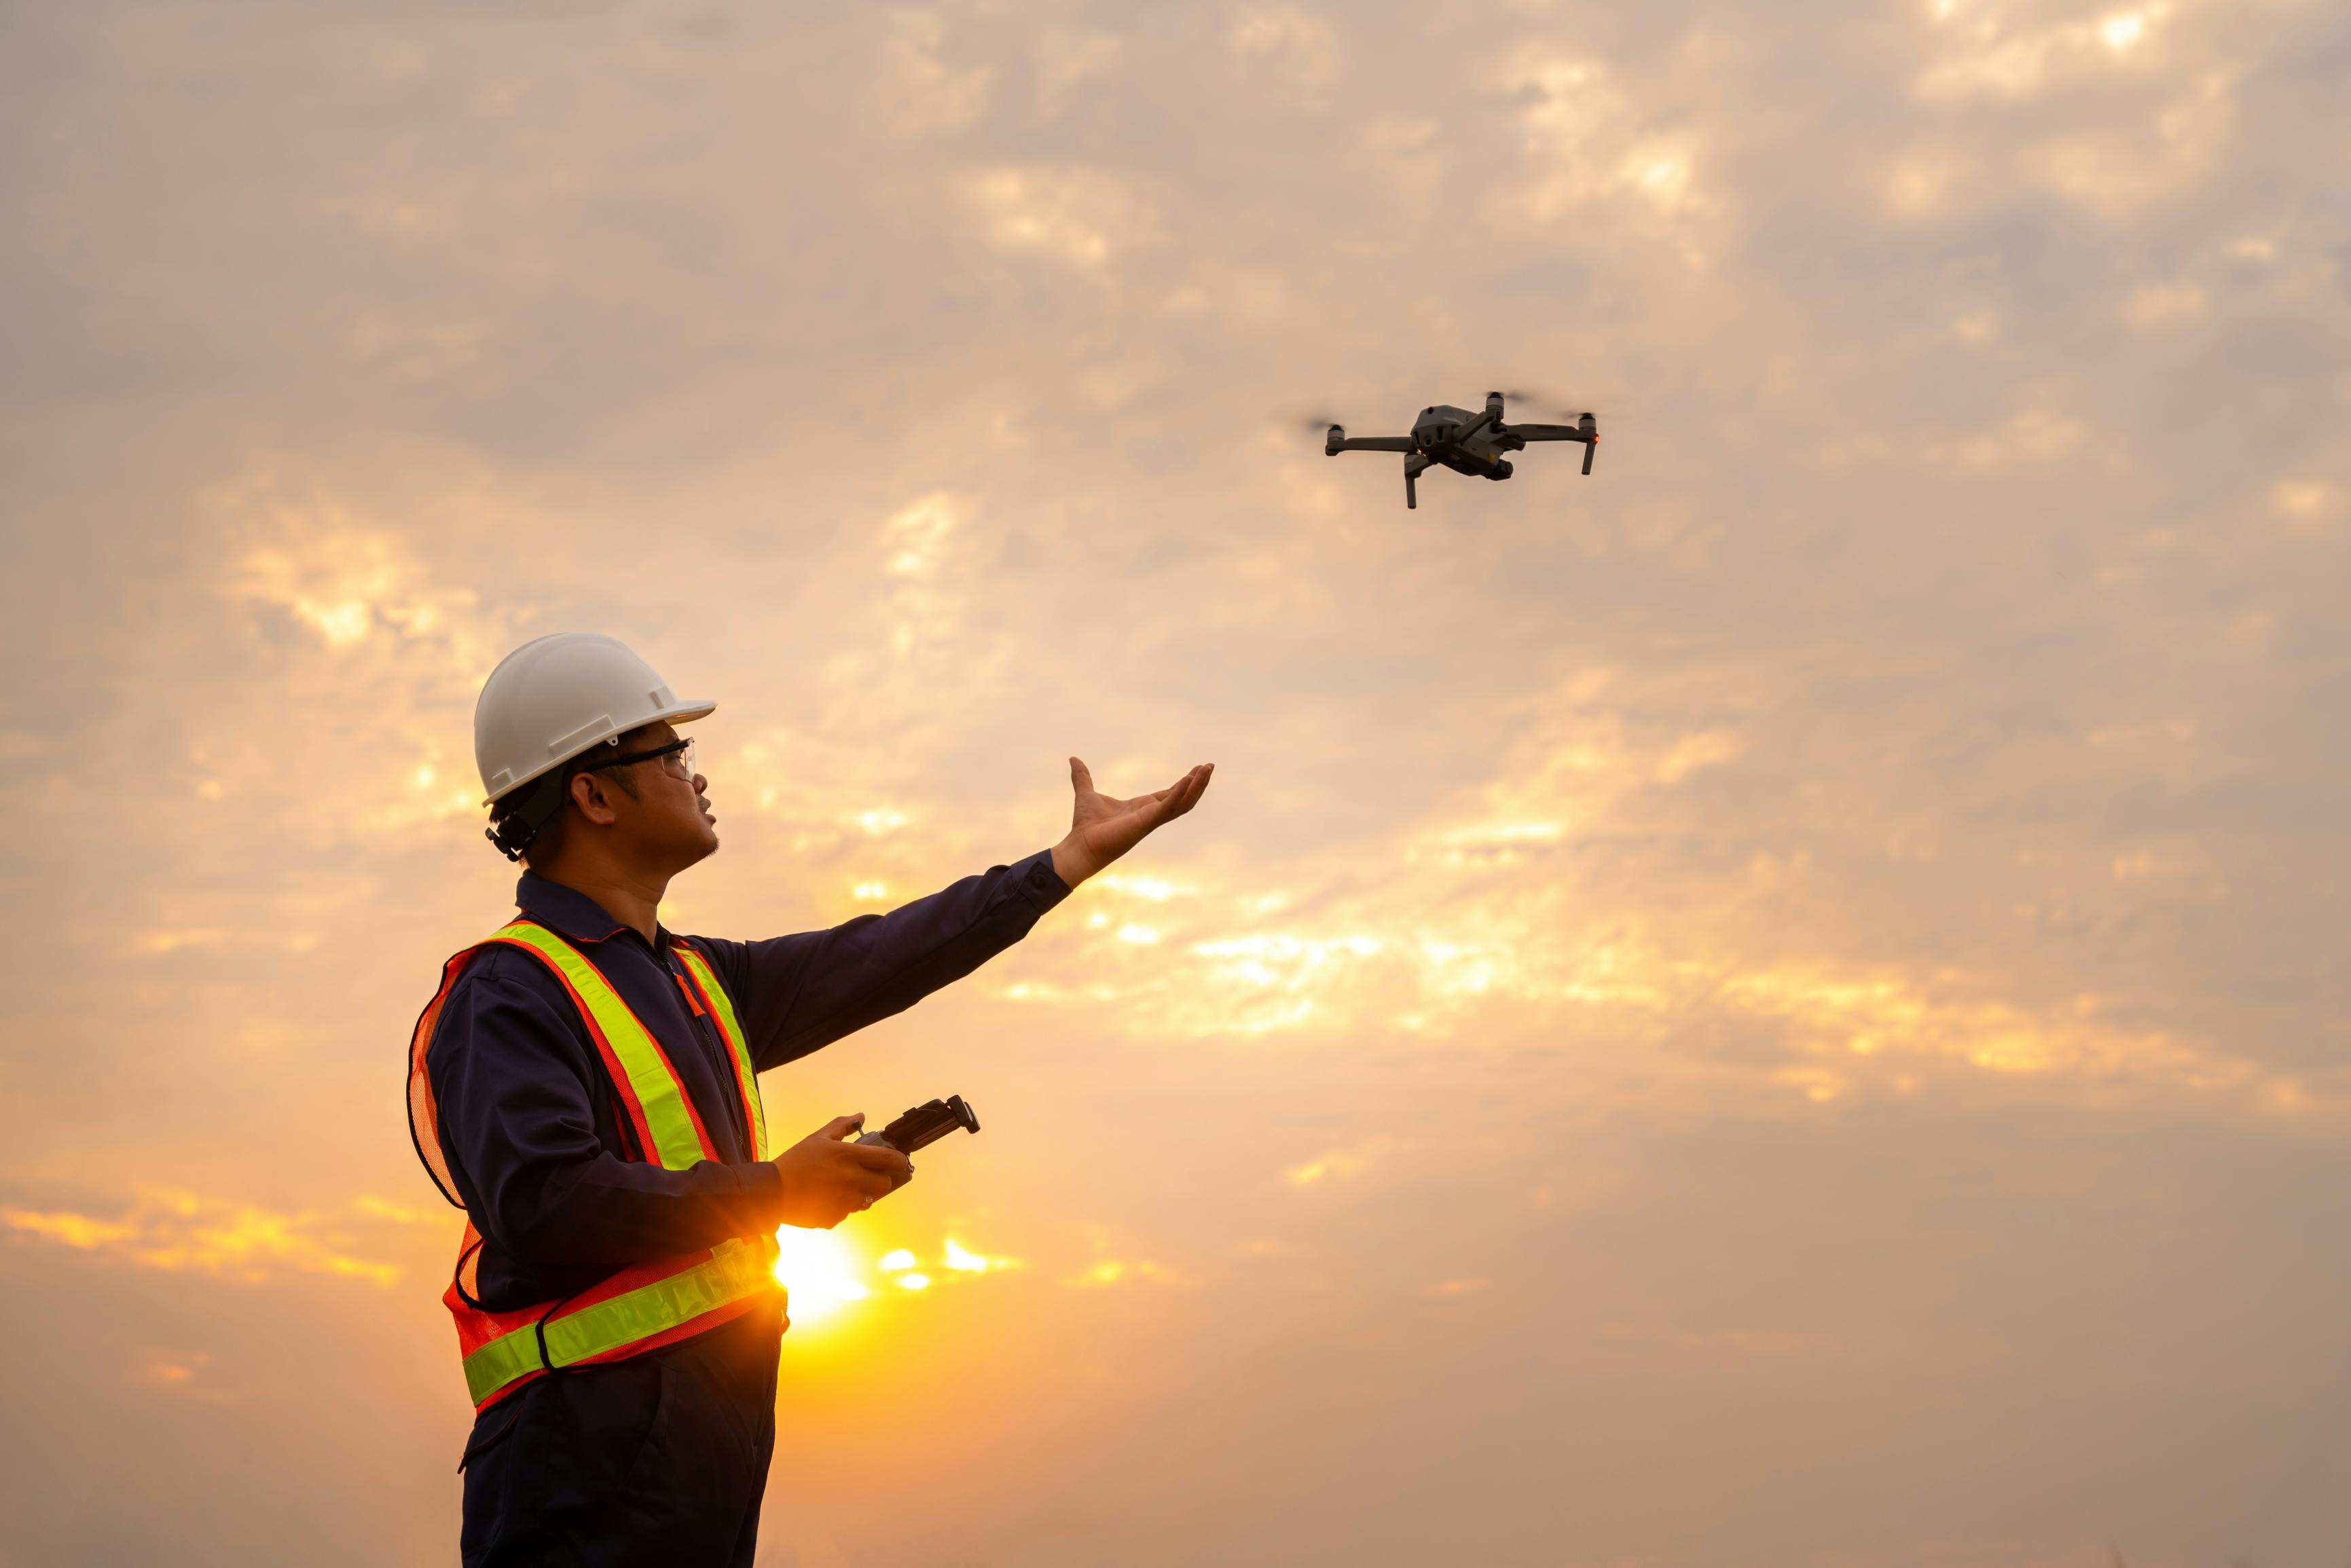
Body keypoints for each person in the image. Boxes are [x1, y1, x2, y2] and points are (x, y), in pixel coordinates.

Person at [405, 632, 1211, 1567]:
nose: (697, 776)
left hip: (698, 1440)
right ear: (592, 793)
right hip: (581, 1453)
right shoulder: (506, 992)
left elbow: (880, 955)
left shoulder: (696, 978)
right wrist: (775, 1190)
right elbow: (545, 1205)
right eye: (671, 755)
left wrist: (1060, 865)